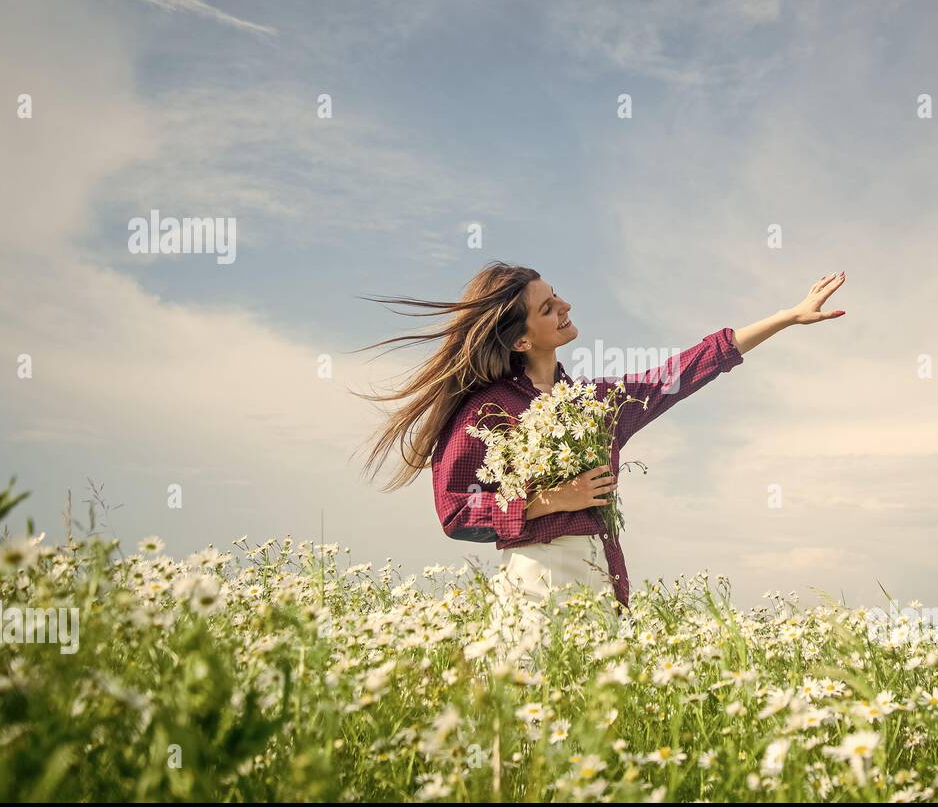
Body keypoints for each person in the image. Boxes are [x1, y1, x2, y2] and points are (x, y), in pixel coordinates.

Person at [355, 260, 847, 621]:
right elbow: (456, 511)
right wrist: (550, 500)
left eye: (557, 294)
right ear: (521, 340)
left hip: (603, 580)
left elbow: (681, 372)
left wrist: (786, 317)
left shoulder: (596, 404)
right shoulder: (486, 410)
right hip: (535, 586)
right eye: (548, 307)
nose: (565, 305)